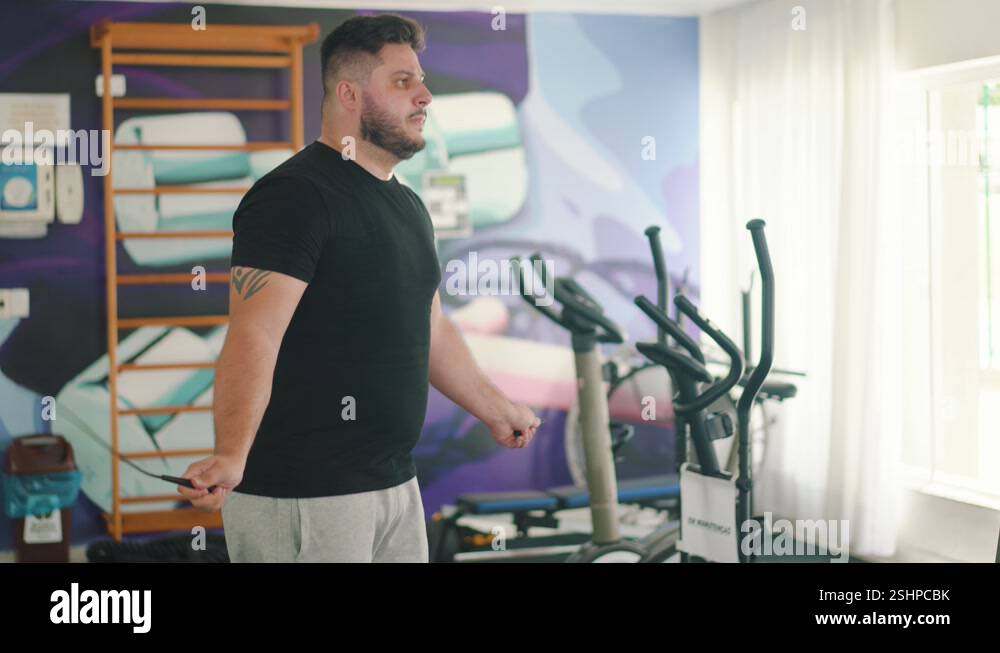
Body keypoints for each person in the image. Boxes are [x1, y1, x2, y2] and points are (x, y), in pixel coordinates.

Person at [176, 14, 540, 562]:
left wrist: (494, 407)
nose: (425, 96)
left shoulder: (408, 206)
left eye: (420, 80)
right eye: (402, 82)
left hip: (393, 483)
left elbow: (430, 327)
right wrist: (230, 454)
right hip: (303, 490)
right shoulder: (294, 196)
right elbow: (255, 335)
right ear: (349, 93)